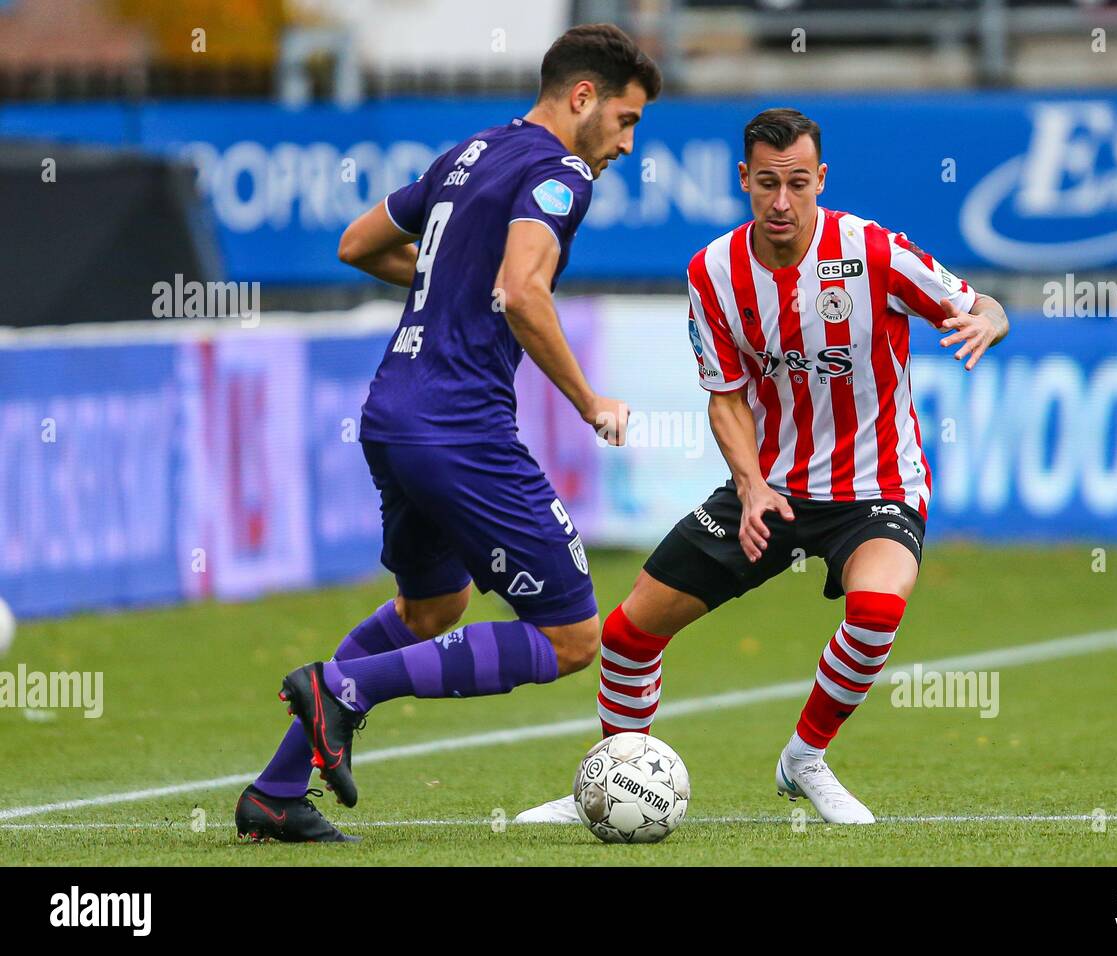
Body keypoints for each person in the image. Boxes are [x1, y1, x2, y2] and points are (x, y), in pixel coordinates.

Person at [517, 107, 1009, 825]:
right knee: (627, 634)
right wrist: (750, 489)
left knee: (877, 607)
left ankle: (805, 759)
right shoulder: (712, 273)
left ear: (821, 180)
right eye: (768, 183)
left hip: (876, 486)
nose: (783, 202)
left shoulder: (872, 252)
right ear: (745, 180)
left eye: (799, 184)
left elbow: (980, 304)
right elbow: (726, 400)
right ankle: (611, 776)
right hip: (769, 486)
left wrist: (990, 319)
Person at [234, 24, 661, 843]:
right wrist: (588, 401)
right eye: (627, 119)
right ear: (583, 98)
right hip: (458, 427)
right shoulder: (561, 171)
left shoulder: (472, 153)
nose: (627, 143)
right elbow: (525, 294)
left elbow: (358, 243)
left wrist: (453, 280)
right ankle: (343, 691)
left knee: (432, 605)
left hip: (392, 410)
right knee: (574, 638)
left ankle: (277, 792)